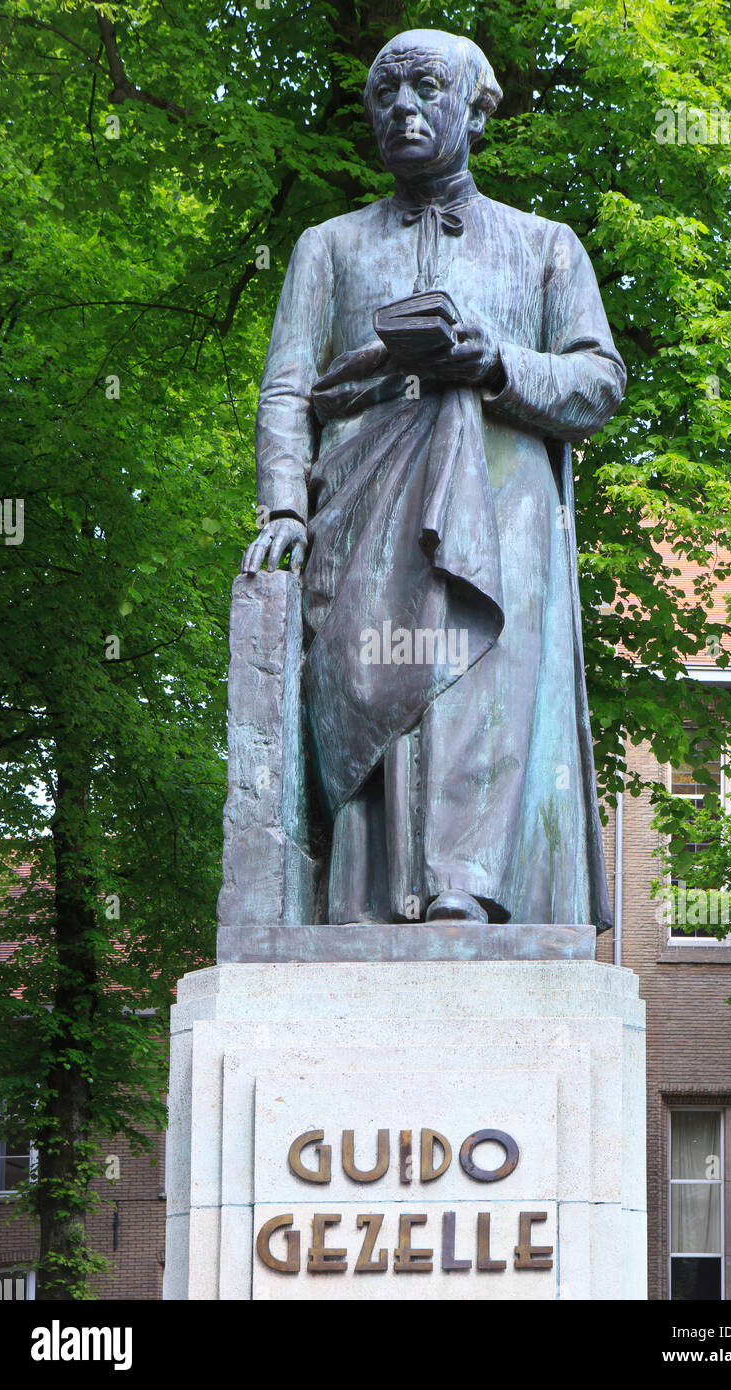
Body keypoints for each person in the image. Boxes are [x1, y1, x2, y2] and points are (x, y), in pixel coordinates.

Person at [241, 29, 626, 931]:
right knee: (370, 684)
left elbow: (598, 381)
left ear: (474, 109)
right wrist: (286, 504)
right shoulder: (327, 246)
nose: (402, 110)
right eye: (385, 95)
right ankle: (364, 898)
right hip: (364, 492)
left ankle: (470, 882)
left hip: (500, 499)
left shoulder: (545, 246)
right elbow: (289, 387)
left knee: (475, 681)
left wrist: (496, 364)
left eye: (425, 90)